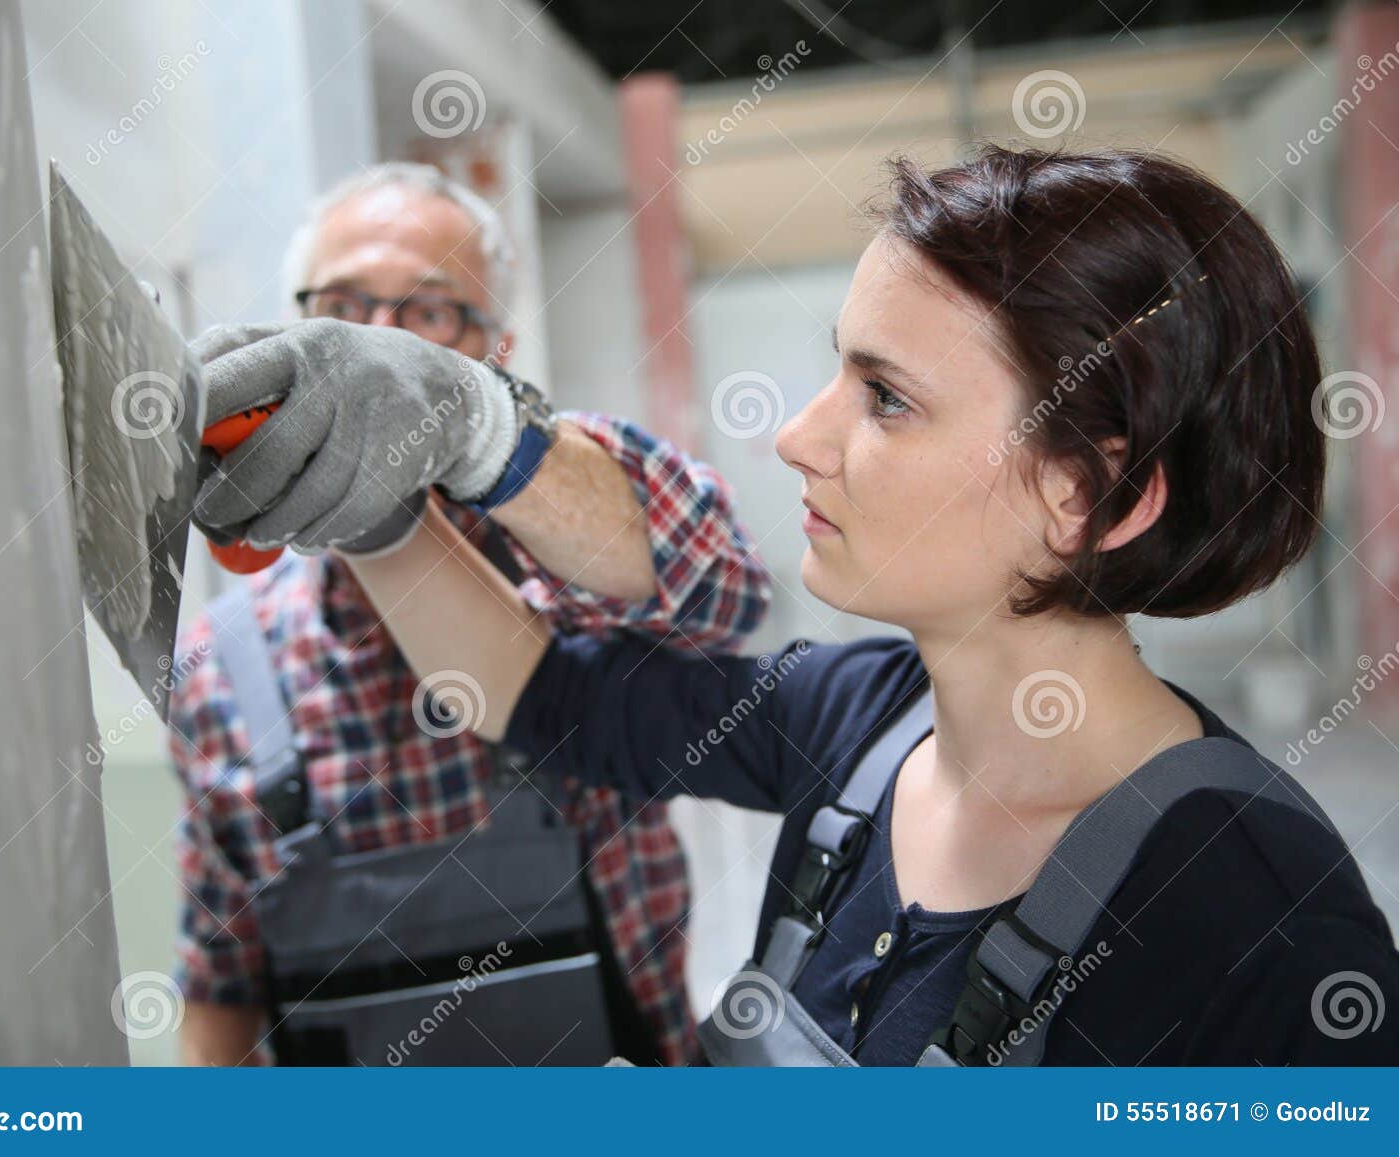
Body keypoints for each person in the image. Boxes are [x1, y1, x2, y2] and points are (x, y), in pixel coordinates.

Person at [195, 144, 1399, 1064]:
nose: (795, 435)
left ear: (1090, 490)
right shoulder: (858, 726)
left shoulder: (1260, 924)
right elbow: (542, 695)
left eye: (884, 397)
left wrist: (480, 423)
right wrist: (379, 497)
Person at [167, 163, 772, 1066]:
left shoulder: (567, 576)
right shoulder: (220, 665)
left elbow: (722, 587)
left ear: (498, 350)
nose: (379, 341)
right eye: (342, 303)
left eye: (430, 313)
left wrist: (479, 427)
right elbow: (219, 986)